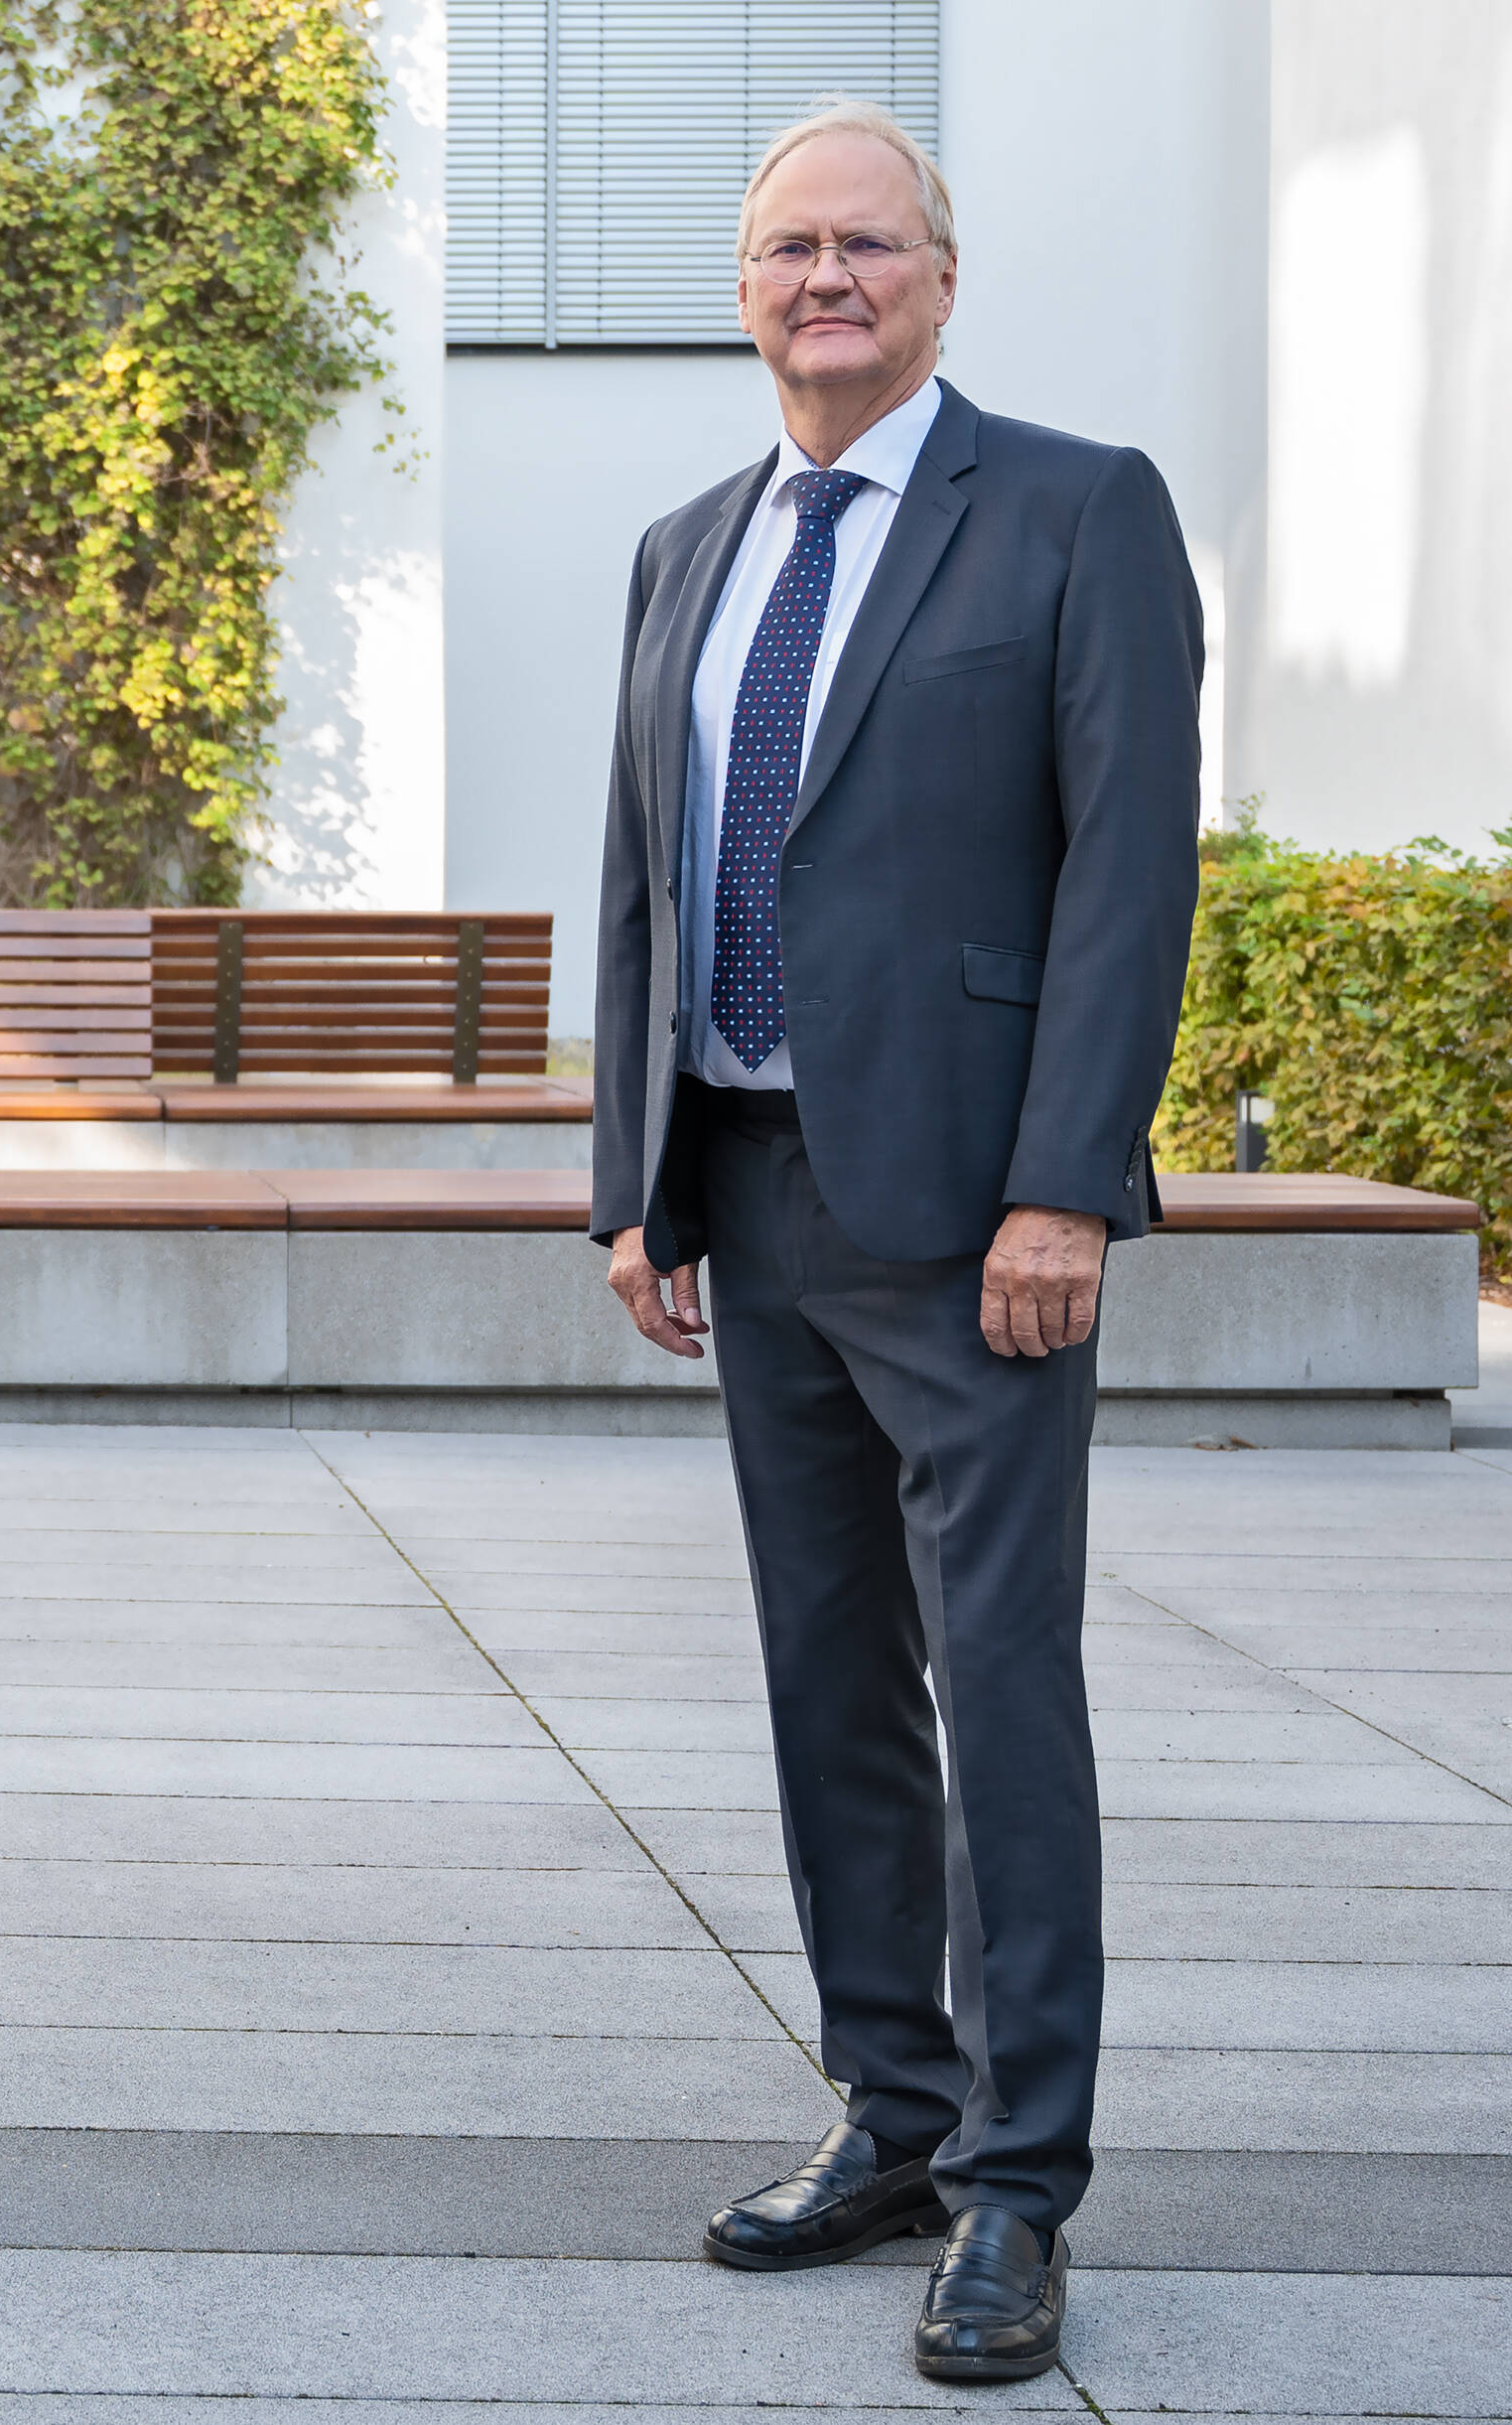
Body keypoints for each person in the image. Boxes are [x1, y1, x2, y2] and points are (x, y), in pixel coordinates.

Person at [588, 105, 1200, 2382]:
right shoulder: (684, 543)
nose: (818, 278)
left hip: (969, 1218)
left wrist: (1064, 1184)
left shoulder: (1069, 508)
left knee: (998, 1679)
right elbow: (645, 878)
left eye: (862, 243)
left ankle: (1019, 2192)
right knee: (823, 1677)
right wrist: (629, 1182)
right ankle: (893, 2117)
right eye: (781, 250)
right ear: (738, 290)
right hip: (741, 1190)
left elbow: (1124, 873)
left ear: (939, 276)